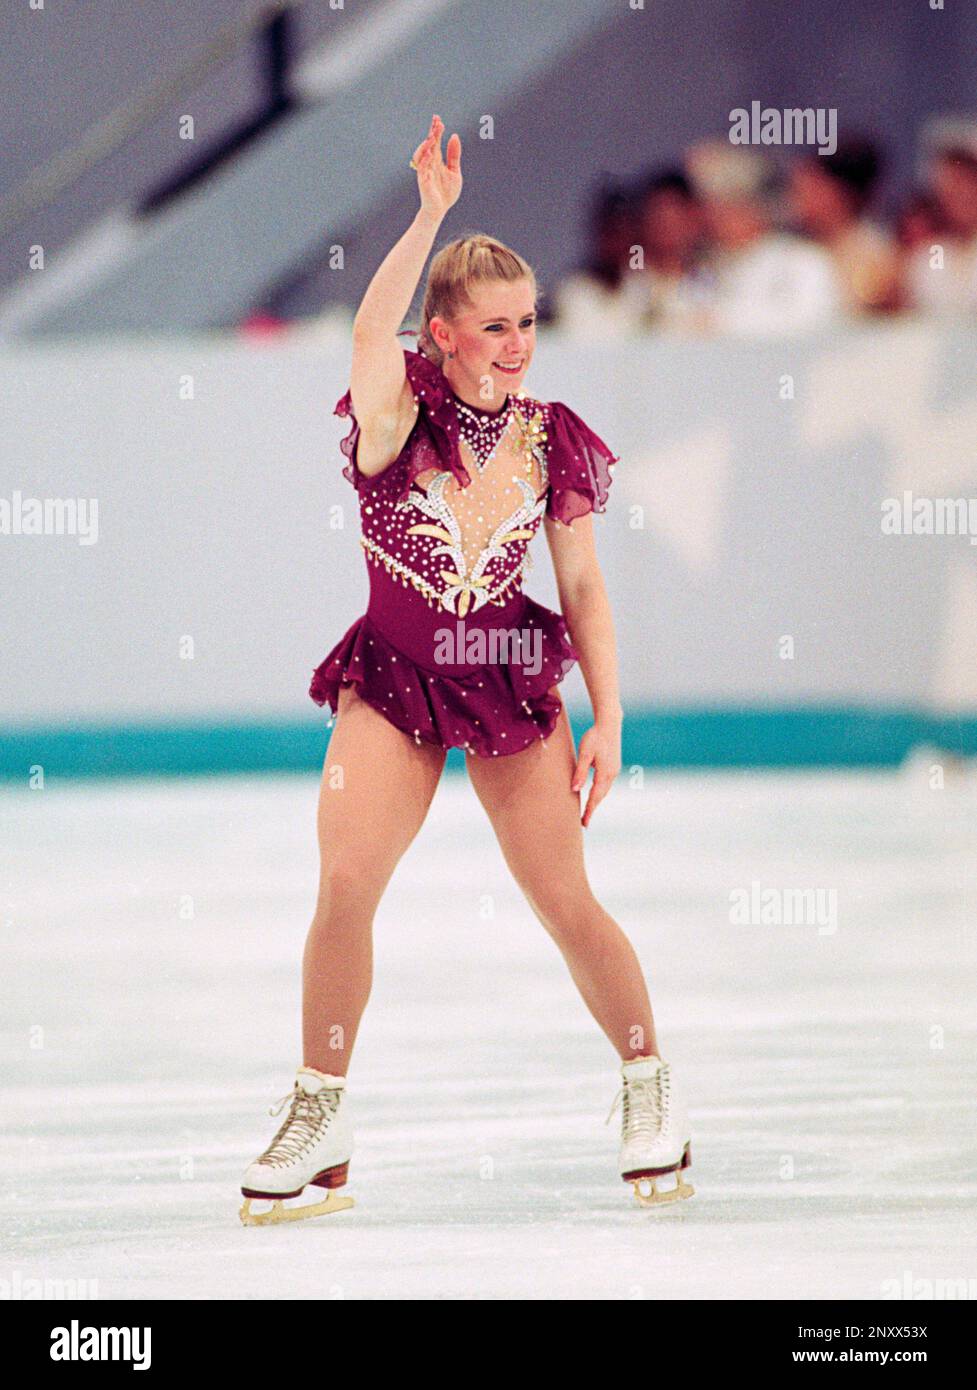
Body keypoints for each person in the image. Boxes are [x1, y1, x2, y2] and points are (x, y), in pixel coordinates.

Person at [239, 114, 693, 1225]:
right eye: (493, 325)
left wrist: (610, 716)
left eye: (527, 322)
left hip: (501, 676)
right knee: (344, 886)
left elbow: (581, 591)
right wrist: (429, 213)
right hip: (391, 678)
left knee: (564, 902)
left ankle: (646, 1087)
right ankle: (319, 1107)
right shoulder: (393, 416)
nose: (517, 342)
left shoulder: (548, 437)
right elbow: (362, 329)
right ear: (439, 333)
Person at [685, 138, 843, 336]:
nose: (717, 217)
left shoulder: (803, 260)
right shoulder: (705, 265)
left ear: (755, 206)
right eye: (712, 207)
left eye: (729, 206)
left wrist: (724, 323)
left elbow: (813, 323)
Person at [788, 138, 901, 314]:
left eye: (811, 188)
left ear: (840, 193)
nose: (798, 200)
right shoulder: (796, 249)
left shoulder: (874, 253)